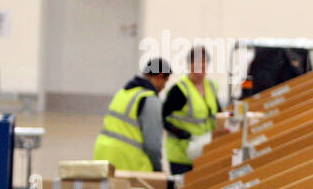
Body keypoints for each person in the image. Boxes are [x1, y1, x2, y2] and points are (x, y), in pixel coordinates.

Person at [91, 57, 172, 172]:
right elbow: (153, 146)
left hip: (102, 156)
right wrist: (158, 170)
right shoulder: (149, 100)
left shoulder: (123, 93)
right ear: (159, 75)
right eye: (166, 81)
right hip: (127, 162)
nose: (164, 86)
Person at [162, 44, 223, 175]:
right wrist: (181, 133)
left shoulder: (212, 87)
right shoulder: (179, 90)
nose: (200, 71)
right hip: (182, 154)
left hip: (204, 151)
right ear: (189, 66)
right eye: (196, 67)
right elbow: (162, 118)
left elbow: (218, 114)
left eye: (203, 66)